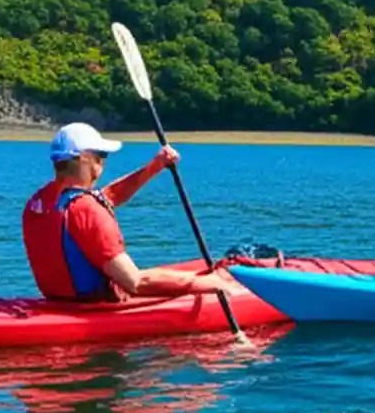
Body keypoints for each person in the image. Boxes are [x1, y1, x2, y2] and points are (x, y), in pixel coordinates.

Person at [21, 122, 235, 301]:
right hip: (94, 307)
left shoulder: (40, 201)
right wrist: (208, 283)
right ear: (84, 157)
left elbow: (108, 197)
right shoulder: (86, 211)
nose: (104, 161)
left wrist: (156, 165)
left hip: (58, 302)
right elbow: (135, 282)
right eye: (101, 154)